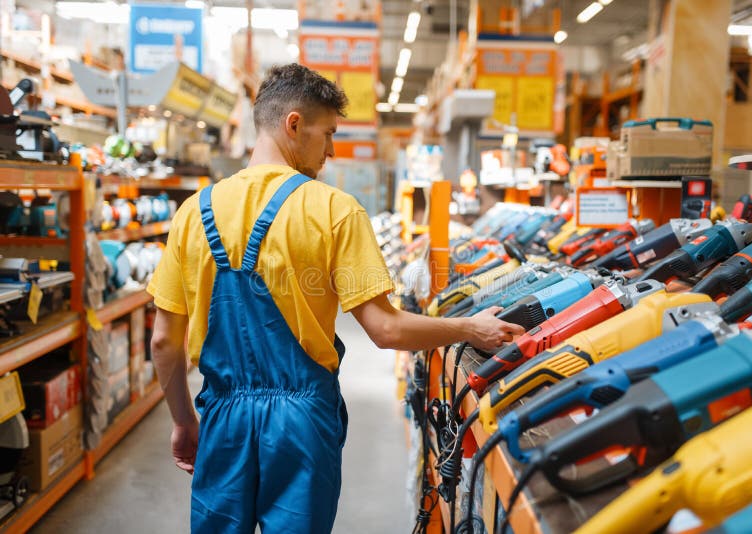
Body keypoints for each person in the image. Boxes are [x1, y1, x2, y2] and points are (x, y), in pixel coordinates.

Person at [148, 63, 523, 534]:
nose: (330, 151)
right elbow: (386, 329)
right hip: (300, 424)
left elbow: (164, 342)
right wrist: (471, 328)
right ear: (294, 124)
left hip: (222, 419)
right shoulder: (334, 210)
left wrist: (185, 421)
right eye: (328, 134)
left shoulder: (191, 215)